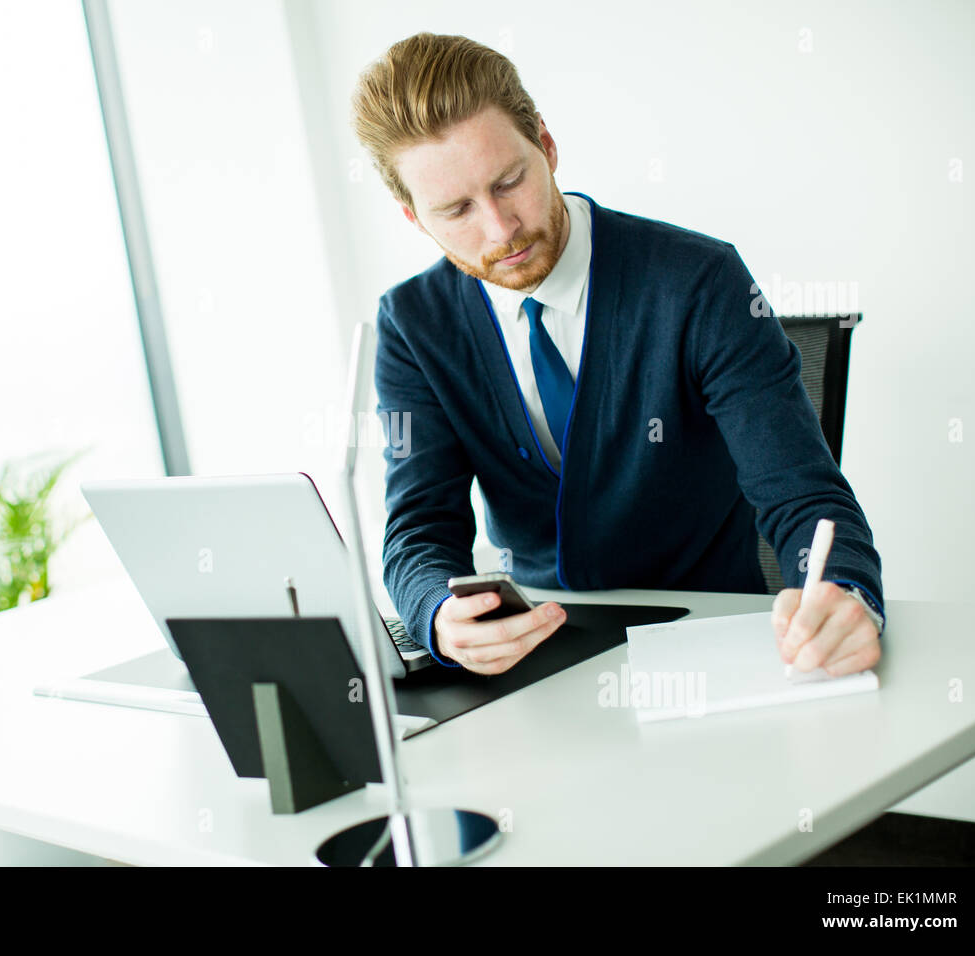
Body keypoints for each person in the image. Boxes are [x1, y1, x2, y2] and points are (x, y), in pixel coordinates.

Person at [349, 32, 885, 677]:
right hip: (542, 654)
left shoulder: (699, 280)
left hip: (710, 644)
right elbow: (418, 527)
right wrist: (436, 612)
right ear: (414, 218)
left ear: (546, 146)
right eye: (456, 209)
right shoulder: (412, 324)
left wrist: (846, 596)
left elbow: (802, 494)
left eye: (511, 181)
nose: (500, 229)